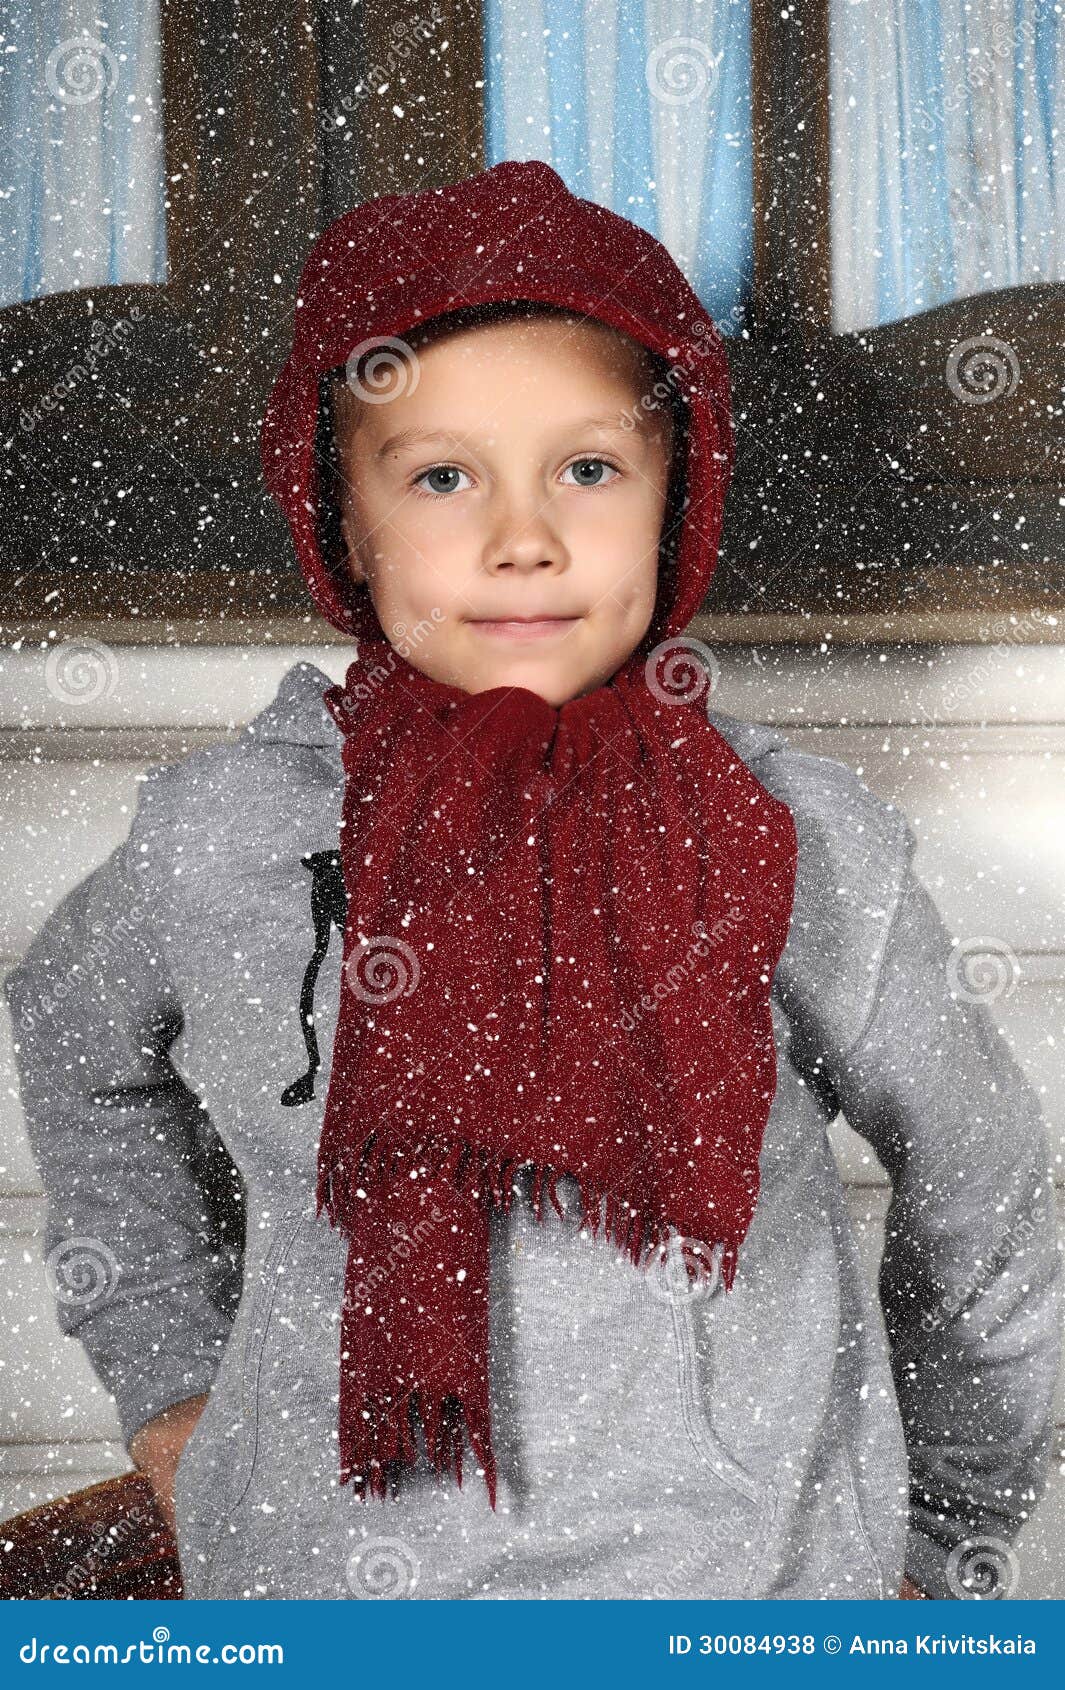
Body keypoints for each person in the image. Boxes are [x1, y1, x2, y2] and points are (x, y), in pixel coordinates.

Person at [5, 161, 1061, 1602]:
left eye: (587, 467)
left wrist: (944, 1533)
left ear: (674, 491)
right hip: (320, 1603)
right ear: (344, 519)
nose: (524, 536)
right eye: (441, 475)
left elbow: (986, 1191)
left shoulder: (792, 839)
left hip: (750, 1606)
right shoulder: (220, 836)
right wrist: (167, 1374)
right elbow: (76, 1044)